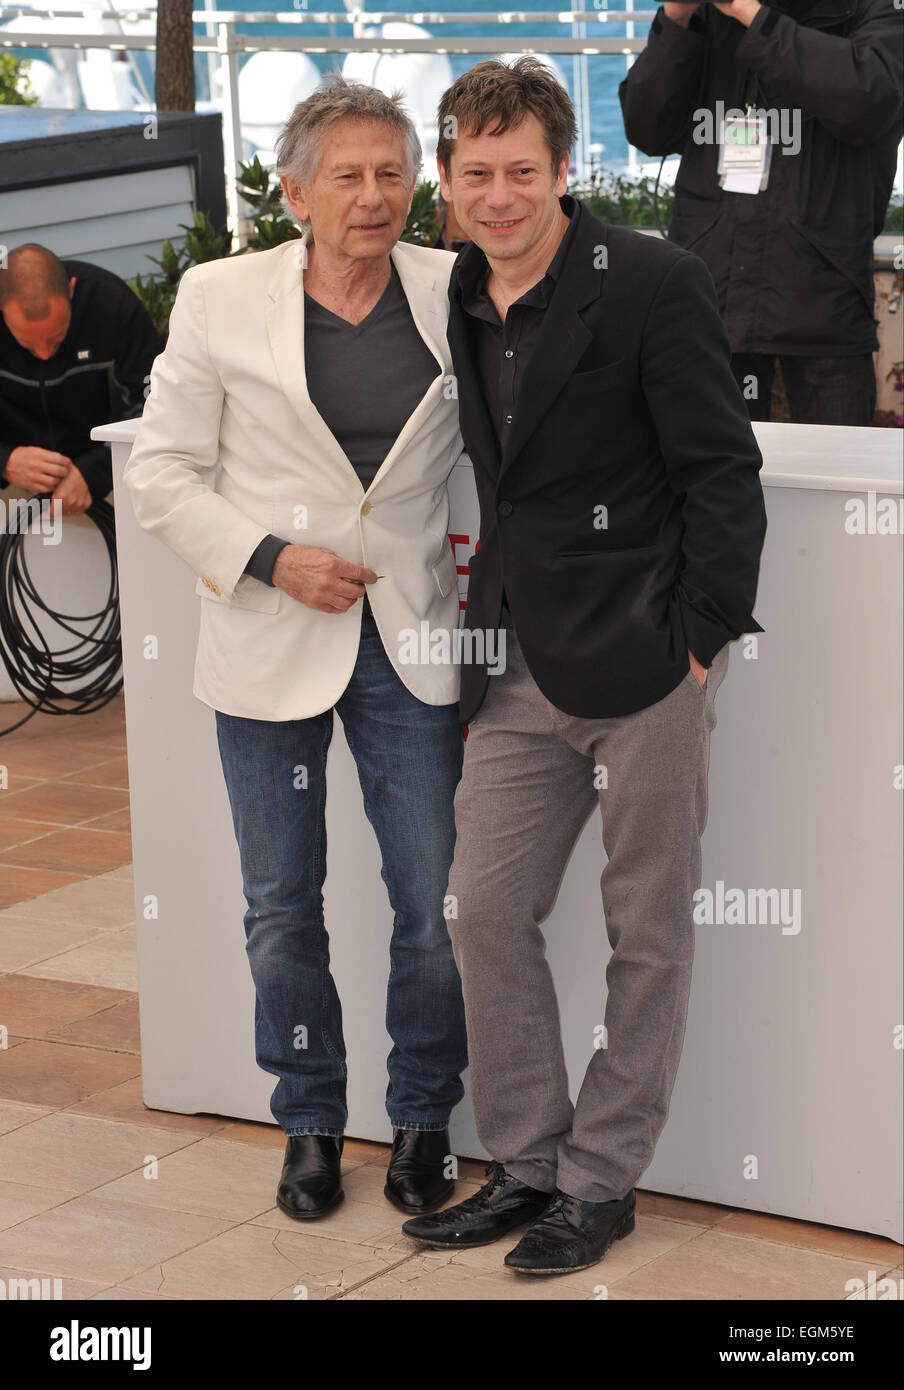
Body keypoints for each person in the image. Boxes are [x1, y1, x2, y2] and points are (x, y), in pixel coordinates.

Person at [401, 58, 767, 1275]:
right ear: (446, 184)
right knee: (485, 911)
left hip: (649, 659)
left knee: (644, 930)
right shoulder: (458, 284)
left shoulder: (652, 279)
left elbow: (721, 469)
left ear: (563, 172)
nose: (497, 197)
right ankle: (527, 1158)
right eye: (474, 175)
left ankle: (601, 1182)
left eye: (520, 173)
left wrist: (704, 639)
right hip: (512, 661)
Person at [123, 76, 469, 1222]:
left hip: (413, 638)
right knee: (282, 904)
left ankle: (424, 1118)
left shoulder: (455, 286)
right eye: (347, 175)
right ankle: (311, 1122)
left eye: (391, 173)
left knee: (434, 901)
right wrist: (274, 557)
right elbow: (159, 470)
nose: (373, 197)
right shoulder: (220, 297)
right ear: (292, 192)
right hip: (271, 635)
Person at [619, 0, 903, 426]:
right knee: (709, 476)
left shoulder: (874, 9)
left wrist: (754, 17)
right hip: (713, 300)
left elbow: (868, 98)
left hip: (826, 304)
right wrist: (676, 19)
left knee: (835, 474)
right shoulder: (706, 16)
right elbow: (646, 128)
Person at [0, 244, 161, 516]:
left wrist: (94, 471)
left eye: (56, 337)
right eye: (27, 343)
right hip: (12, 486)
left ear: (71, 290)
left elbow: (154, 408)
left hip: (112, 476)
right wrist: (5, 461)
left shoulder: (115, 308)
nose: (43, 354)